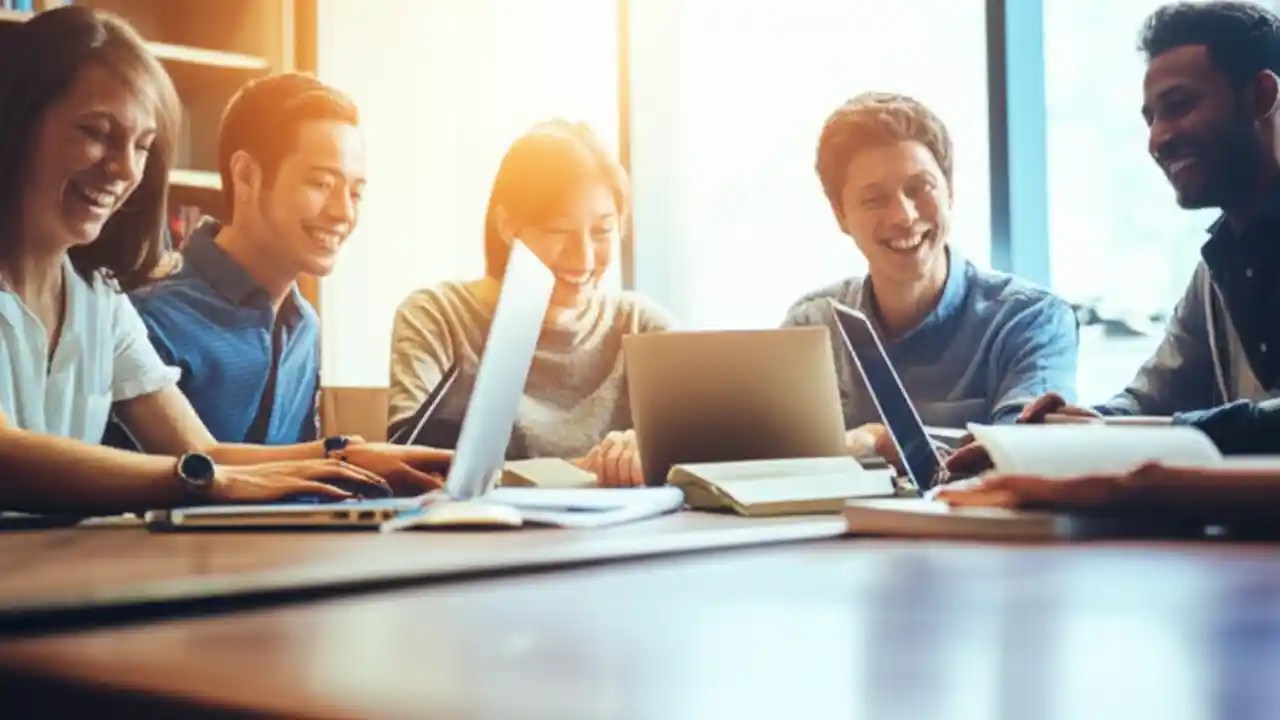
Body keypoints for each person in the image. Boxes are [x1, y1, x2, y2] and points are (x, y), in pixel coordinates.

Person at [0, 6, 444, 514]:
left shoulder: (98, 297)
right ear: (18, 121)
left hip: (49, 579)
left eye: (143, 146)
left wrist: (351, 456)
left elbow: (201, 451)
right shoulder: (146, 308)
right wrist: (204, 481)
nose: (124, 169)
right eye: (97, 132)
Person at [948, 1, 1280, 474]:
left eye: (1179, 106)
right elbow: (1149, 400)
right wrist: (1064, 434)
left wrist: (1160, 434)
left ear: (1261, 96)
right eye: (1151, 118)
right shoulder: (1218, 263)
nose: (1158, 139)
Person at [783, 92, 1078, 459]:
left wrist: (881, 441)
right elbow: (783, 462)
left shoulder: (1029, 320)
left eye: (919, 189)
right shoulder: (813, 325)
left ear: (950, 191)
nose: (904, 216)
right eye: (874, 199)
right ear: (840, 215)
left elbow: (1026, 460)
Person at [388, 121, 673, 487]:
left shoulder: (643, 325)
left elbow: (710, 457)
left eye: (602, 232)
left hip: (621, 540)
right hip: (486, 541)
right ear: (508, 225)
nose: (584, 257)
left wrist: (652, 452)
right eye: (559, 230)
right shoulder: (438, 317)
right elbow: (407, 467)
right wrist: (576, 474)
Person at [115, 73, 364, 447]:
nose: (343, 212)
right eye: (321, 185)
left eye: (356, 193)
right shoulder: (150, 318)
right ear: (247, 176)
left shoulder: (304, 326)